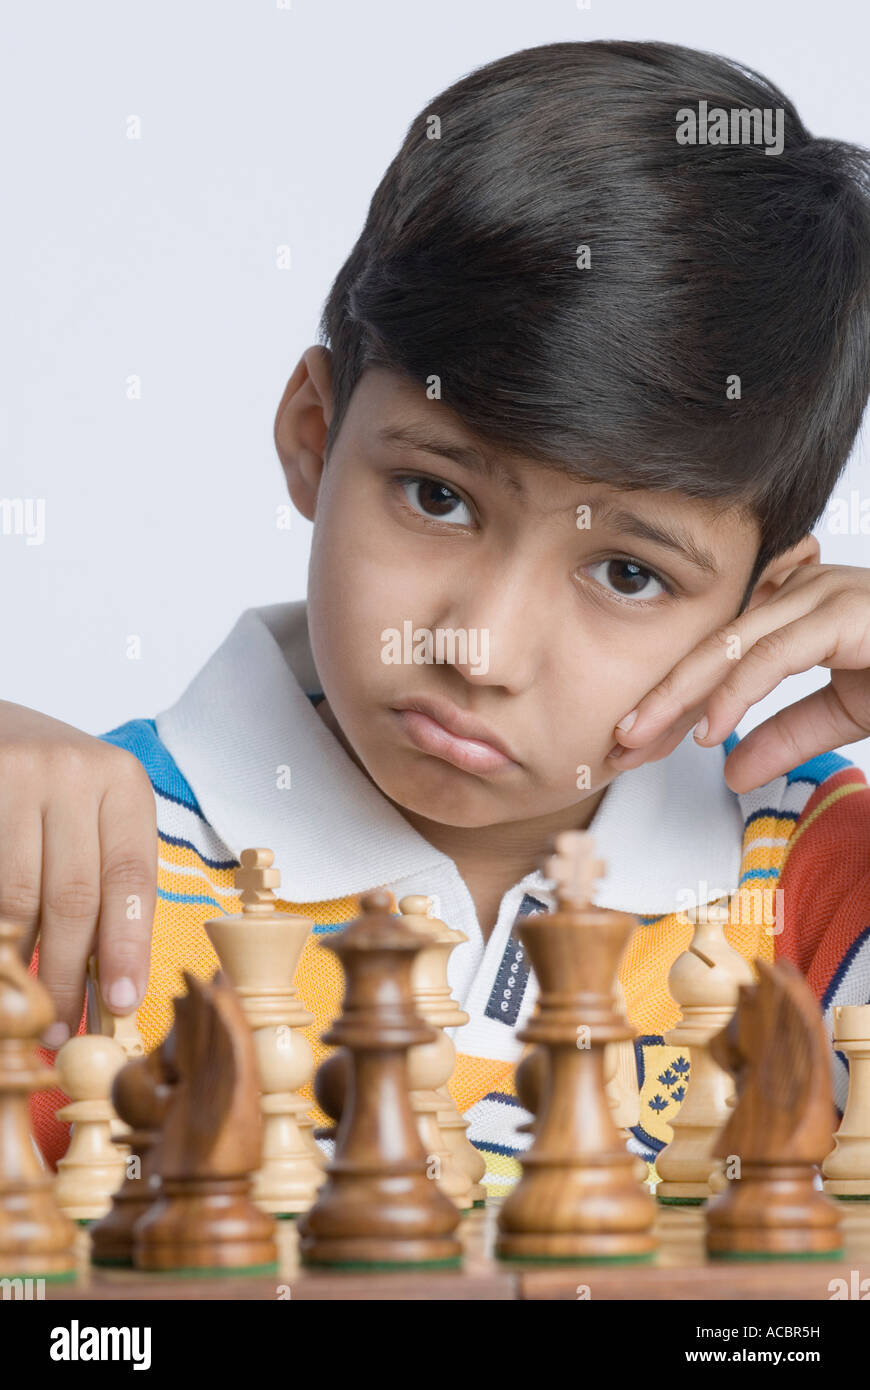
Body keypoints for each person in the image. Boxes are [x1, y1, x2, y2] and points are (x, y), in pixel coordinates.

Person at [5, 40, 870, 1186]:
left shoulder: (810, 877)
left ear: (766, 607)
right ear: (314, 438)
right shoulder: (71, 870)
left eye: (627, 573)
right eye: (438, 496)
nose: (483, 650)